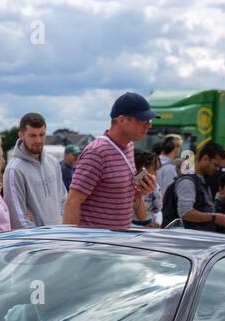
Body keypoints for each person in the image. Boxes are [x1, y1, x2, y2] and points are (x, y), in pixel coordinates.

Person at [64, 93, 158, 230]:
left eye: (149, 121)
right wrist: (70, 245)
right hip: (95, 244)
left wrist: (139, 192)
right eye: (143, 120)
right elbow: (72, 203)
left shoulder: (129, 146)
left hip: (114, 243)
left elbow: (120, 200)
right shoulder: (97, 153)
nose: (148, 125)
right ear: (121, 120)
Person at [3, 113, 65, 230]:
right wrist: (39, 241)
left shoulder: (53, 162)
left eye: (42, 134)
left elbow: (63, 198)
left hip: (59, 240)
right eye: (32, 135)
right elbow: (17, 216)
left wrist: (62, 230)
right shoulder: (14, 170)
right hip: (36, 243)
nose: (38, 140)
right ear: (21, 135)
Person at [163, 141, 225, 230]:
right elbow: (186, 213)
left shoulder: (201, 181)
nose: (217, 169)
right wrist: (215, 218)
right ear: (205, 158)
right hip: (186, 239)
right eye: (215, 165)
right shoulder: (187, 181)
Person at [131, 150, 162, 227]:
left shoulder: (154, 186)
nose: (156, 173)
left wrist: (157, 223)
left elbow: (158, 209)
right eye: (155, 169)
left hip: (149, 224)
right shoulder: (132, 185)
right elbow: (142, 215)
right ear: (143, 168)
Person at [154, 135, 182, 202]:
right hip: (159, 209)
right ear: (176, 148)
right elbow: (169, 194)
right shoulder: (170, 168)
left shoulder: (152, 161)